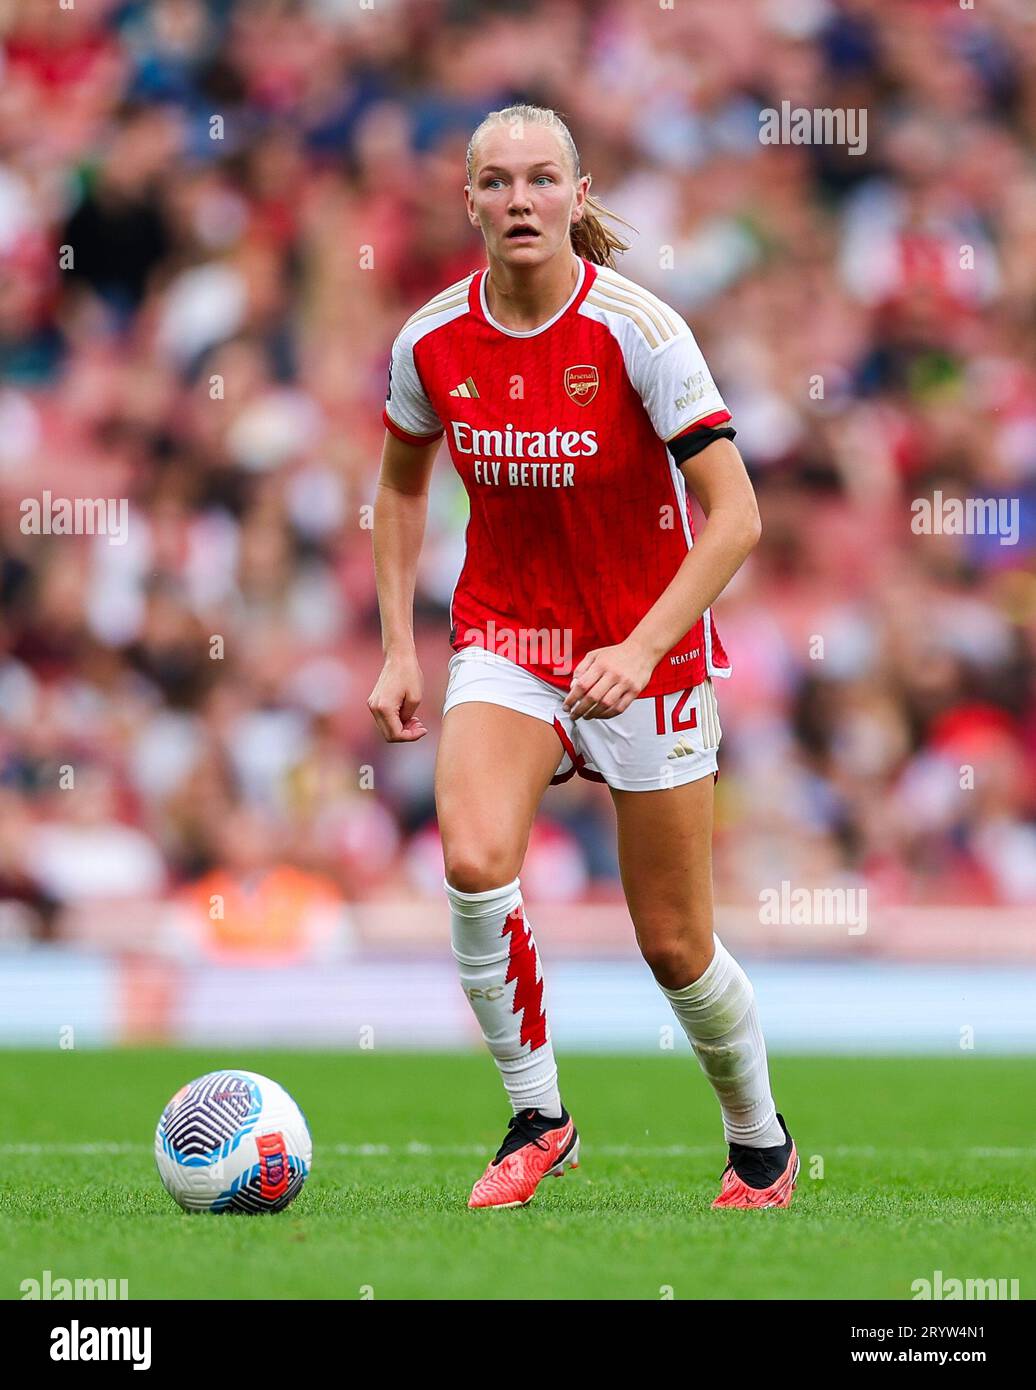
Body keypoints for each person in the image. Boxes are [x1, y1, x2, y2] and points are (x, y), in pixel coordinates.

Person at [368, 104, 798, 1211]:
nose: (520, 200)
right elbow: (401, 487)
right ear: (466, 201)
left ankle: (759, 1141)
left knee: (673, 944)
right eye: (497, 182)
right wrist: (395, 650)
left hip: (643, 652)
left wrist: (642, 641)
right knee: (470, 859)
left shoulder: (639, 331)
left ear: (577, 192)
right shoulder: (429, 341)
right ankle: (538, 1114)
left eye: (541, 180)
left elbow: (737, 517)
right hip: (508, 636)